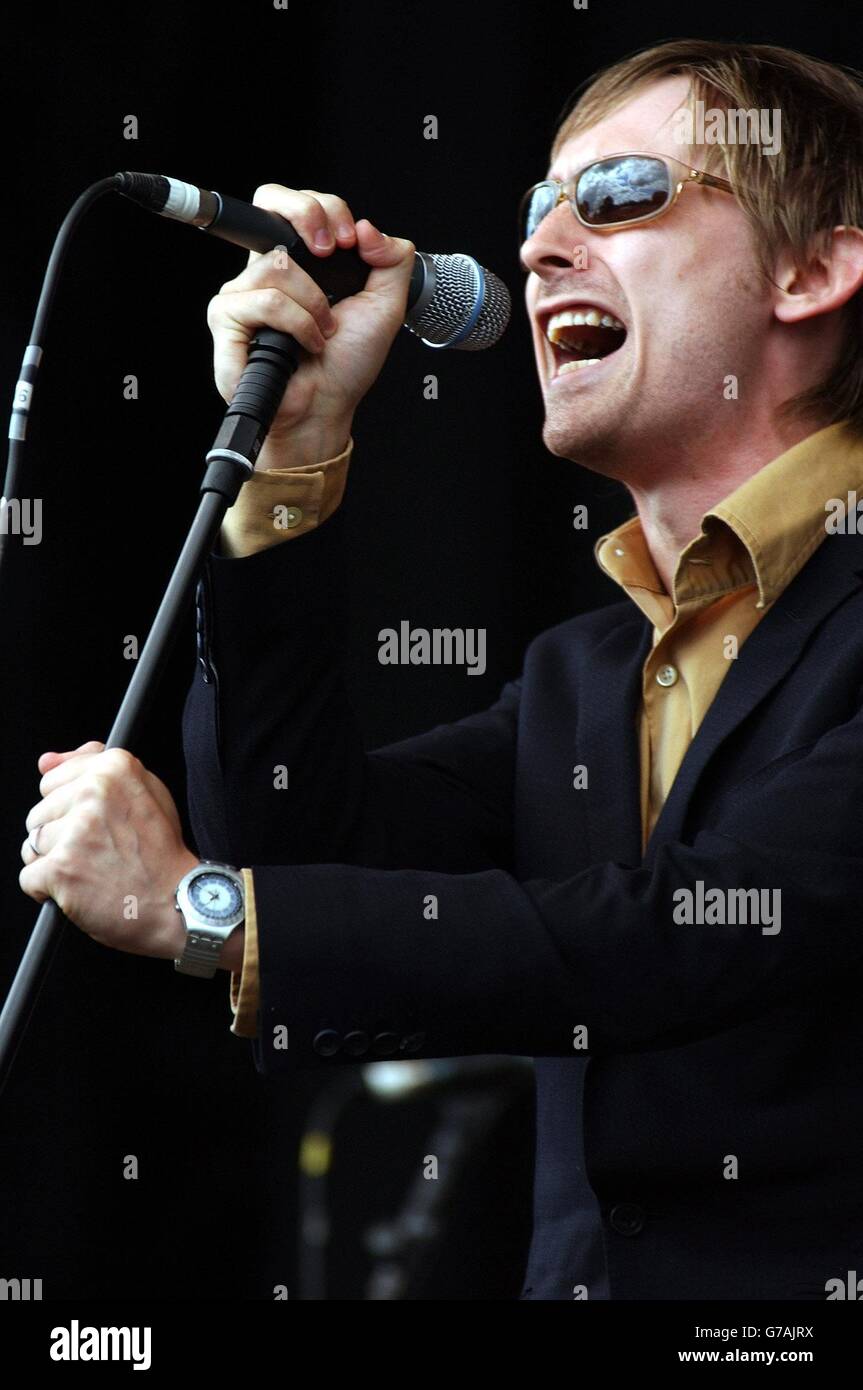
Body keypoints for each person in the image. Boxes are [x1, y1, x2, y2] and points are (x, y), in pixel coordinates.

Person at [19, 39, 863, 1300]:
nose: (537, 248)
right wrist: (292, 461)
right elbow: (304, 842)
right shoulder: (584, 676)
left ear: (812, 268)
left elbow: (684, 932)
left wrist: (206, 910)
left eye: (619, 193)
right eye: (536, 208)